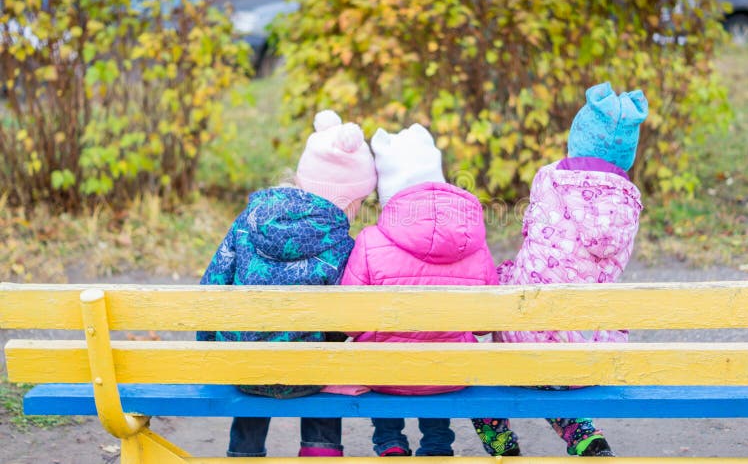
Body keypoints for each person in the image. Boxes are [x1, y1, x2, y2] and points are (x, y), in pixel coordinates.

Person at [477, 82, 648, 458]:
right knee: (556, 356)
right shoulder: (630, 203)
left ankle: (494, 428)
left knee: (501, 316)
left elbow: (529, 238)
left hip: (530, 340)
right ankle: (581, 432)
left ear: (578, 139)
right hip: (592, 348)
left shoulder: (549, 178)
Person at [197, 110, 376, 458]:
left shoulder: (250, 220)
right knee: (325, 353)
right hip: (310, 373)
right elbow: (346, 321)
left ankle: (244, 454)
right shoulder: (341, 244)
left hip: (243, 369)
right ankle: (320, 452)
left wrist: (209, 352)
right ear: (349, 199)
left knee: (253, 352)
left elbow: (212, 286)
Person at [341, 123, 519, 457]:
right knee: (439, 353)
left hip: (385, 374)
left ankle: (390, 441)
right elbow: (484, 324)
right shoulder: (473, 240)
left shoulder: (370, 240)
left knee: (381, 353)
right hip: (450, 372)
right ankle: (437, 443)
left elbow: (352, 323)